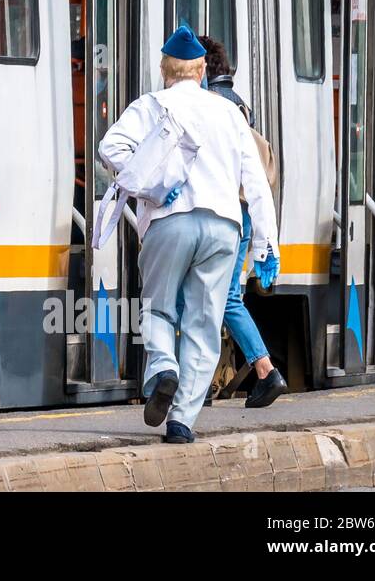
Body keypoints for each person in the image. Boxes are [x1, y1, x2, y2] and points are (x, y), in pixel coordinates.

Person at [98, 24, 280, 444]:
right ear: (200, 72)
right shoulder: (230, 114)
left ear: (165, 71)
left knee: (158, 308)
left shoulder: (150, 105)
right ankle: (182, 422)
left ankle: (163, 368)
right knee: (204, 322)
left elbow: (111, 148)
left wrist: (151, 182)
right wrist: (265, 244)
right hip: (223, 227)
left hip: (169, 221)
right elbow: (255, 184)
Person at [198, 36, 287, 409]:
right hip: (243, 217)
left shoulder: (214, 105)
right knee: (218, 297)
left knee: (220, 298)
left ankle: (264, 371)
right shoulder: (239, 103)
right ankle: (204, 381)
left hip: (228, 215)